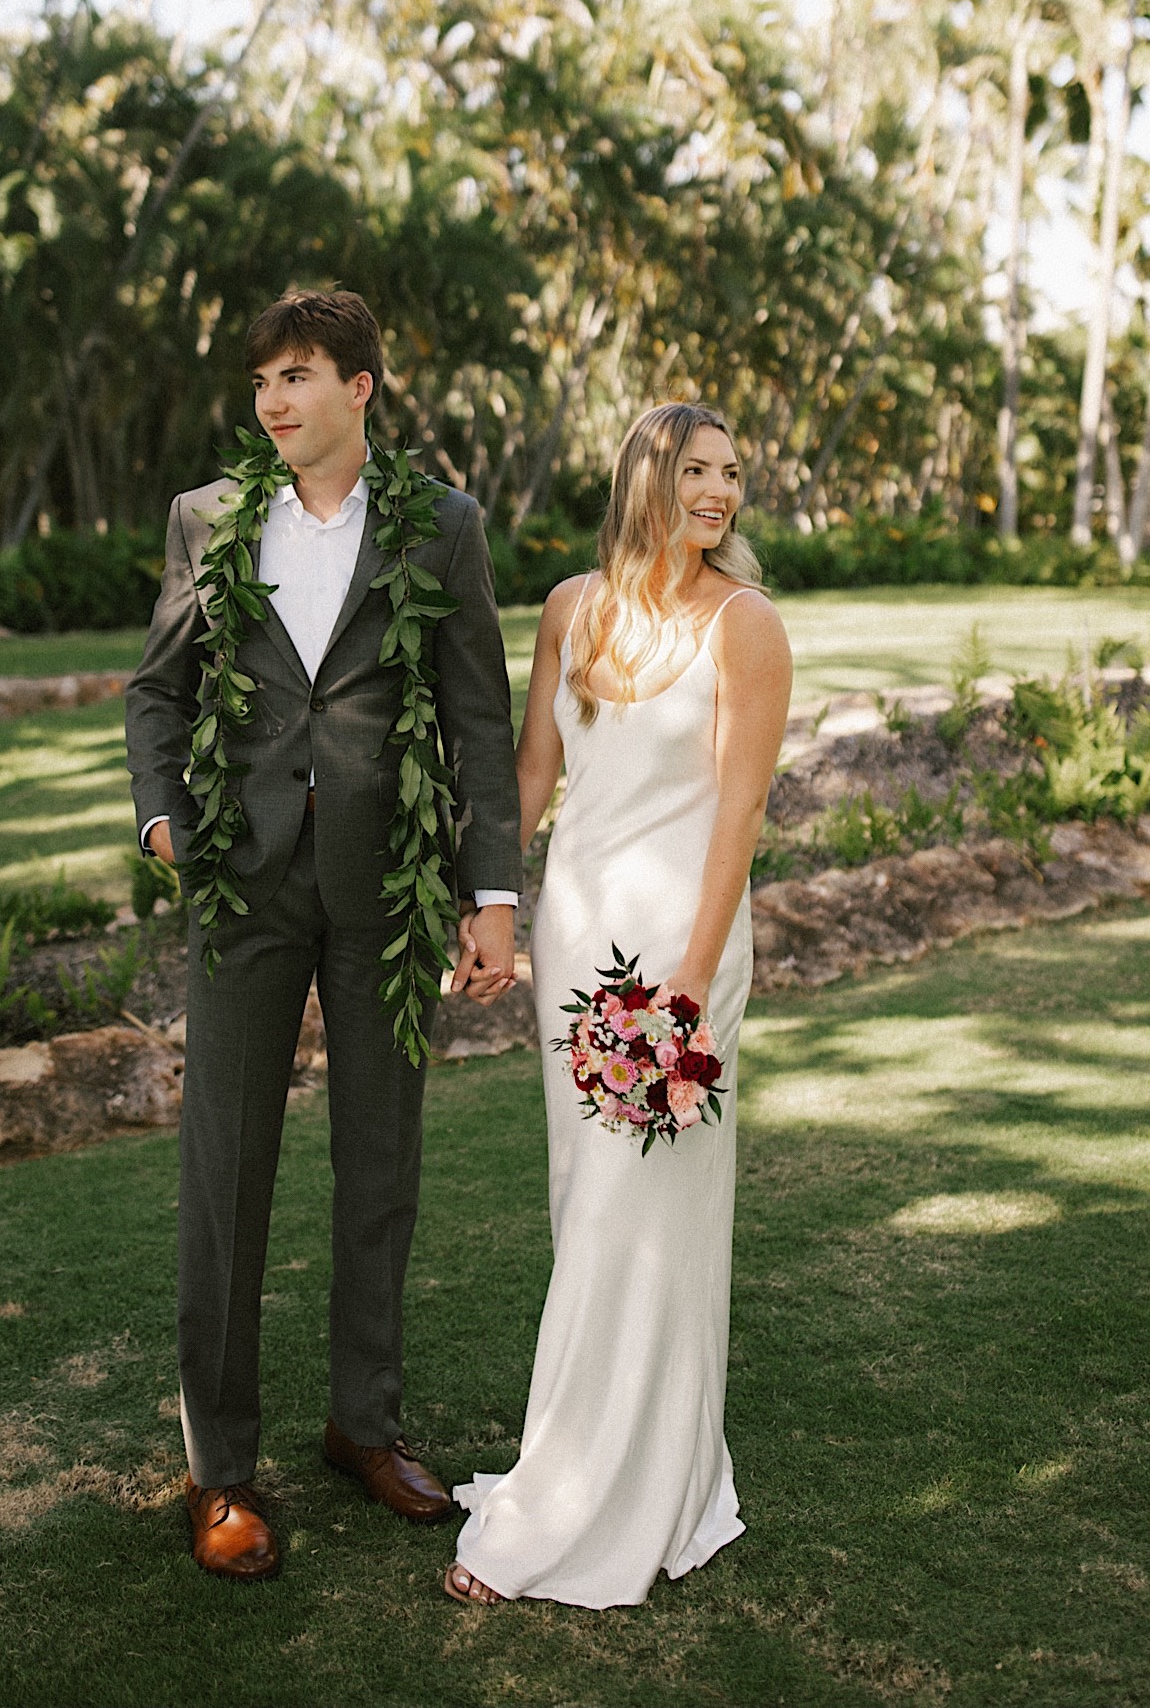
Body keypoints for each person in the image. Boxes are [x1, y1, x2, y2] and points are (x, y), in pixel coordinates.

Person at [126, 289, 522, 1581]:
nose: (272, 402)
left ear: (362, 385)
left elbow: (476, 721)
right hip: (243, 884)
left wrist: (493, 893)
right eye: (261, 385)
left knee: (381, 1166)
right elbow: (158, 690)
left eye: (296, 376)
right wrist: (162, 819)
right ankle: (220, 1467)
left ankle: (365, 1421)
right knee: (226, 1175)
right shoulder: (210, 518)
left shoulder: (442, 526)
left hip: (385, 888)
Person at [444, 402, 793, 1609]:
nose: (720, 491)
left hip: (679, 959)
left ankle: (592, 1508)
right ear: (646, 475)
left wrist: (693, 982)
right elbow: (534, 774)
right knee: (580, 1202)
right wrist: (492, 906)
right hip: (577, 936)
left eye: (733, 474)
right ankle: (628, 1466)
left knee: (635, 1218)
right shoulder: (568, 610)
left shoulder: (746, 627)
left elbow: (739, 815)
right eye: (697, 468)